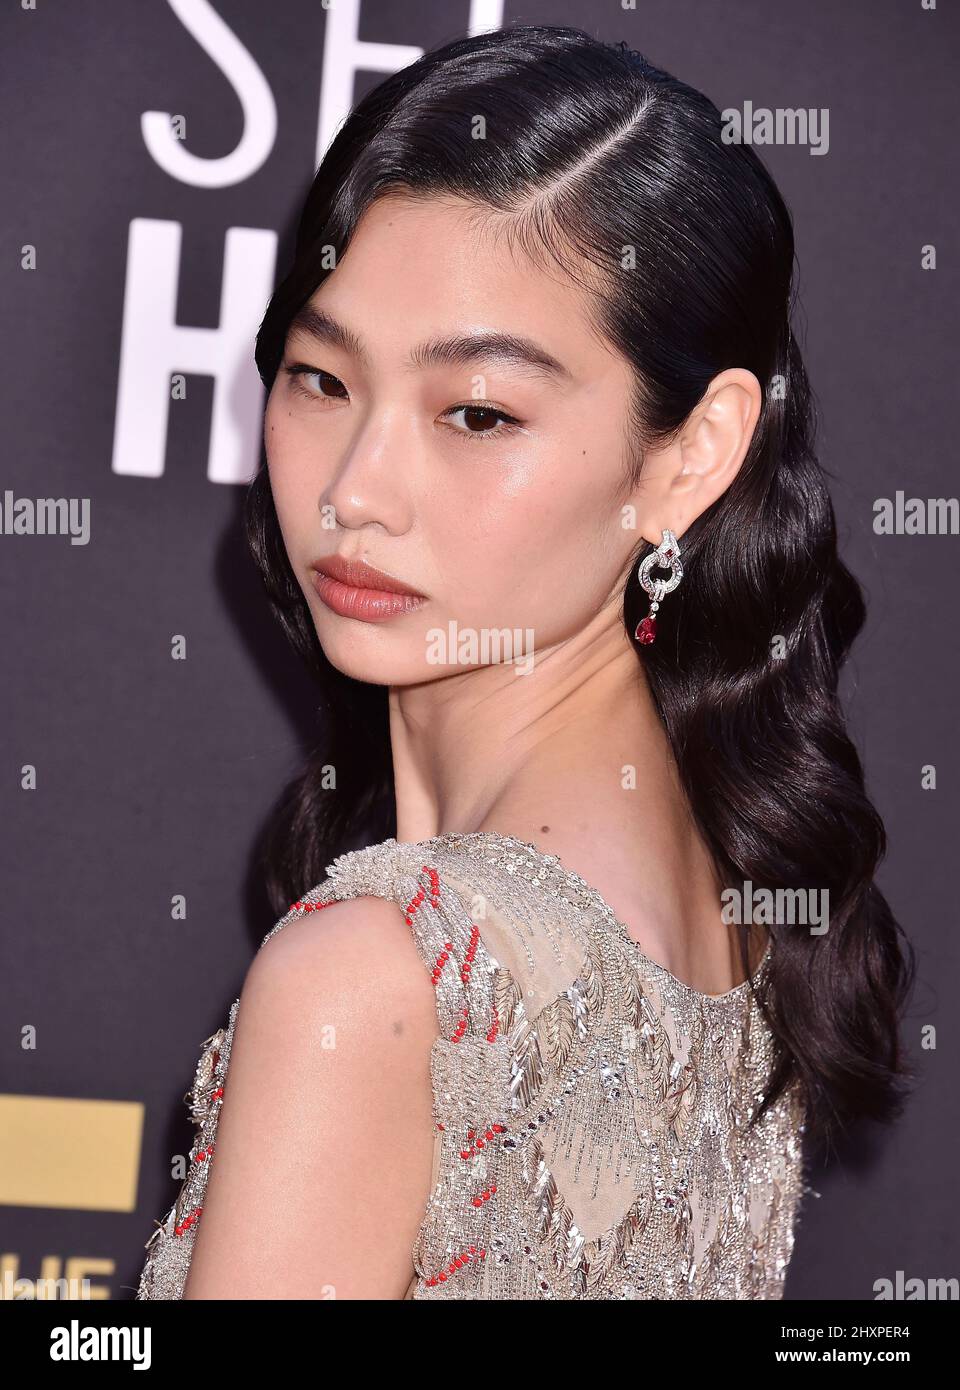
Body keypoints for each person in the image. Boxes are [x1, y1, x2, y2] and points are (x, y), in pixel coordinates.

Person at [136, 23, 914, 1301]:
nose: (356, 490)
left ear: (692, 456)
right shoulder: (736, 916)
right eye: (321, 378)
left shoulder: (371, 976)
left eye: (478, 412)